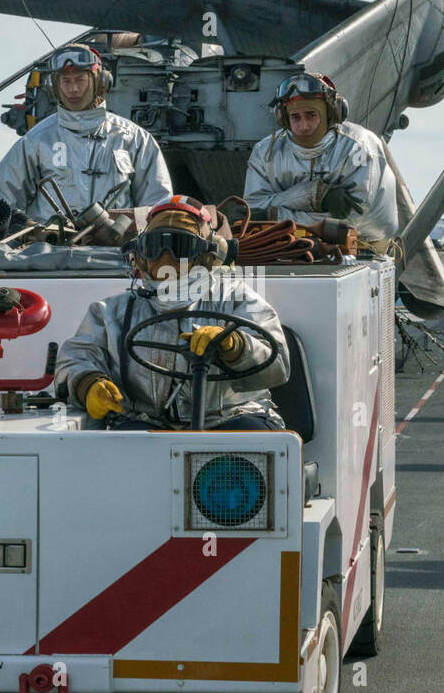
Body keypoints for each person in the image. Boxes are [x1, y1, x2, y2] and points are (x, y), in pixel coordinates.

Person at [55, 197, 290, 430]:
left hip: (230, 417)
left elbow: (277, 365)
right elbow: (76, 358)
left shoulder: (237, 299)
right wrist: (87, 384)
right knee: (126, 445)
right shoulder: (110, 313)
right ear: (139, 255)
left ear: (208, 255)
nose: (165, 258)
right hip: (145, 424)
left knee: (248, 440)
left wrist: (235, 346)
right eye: (154, 246)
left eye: (180, 247)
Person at [0, 43, 172, 221]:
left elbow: (158, 208)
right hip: (50, 253)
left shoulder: (135, 140)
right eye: (65, 81)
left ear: (100, 82)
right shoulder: (36, 141)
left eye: (80, 80)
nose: (73, 89)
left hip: (117, 252)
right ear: (54, 86)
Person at [243, 72, 400, 249]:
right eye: (296, 117)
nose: (303, 126)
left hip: (363, 248)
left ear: (330, 113)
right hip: (285, 246)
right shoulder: (265, 152)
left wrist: (274, 215)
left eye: (311, 115)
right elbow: (252, 208)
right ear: (284, 117)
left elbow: (354, 217)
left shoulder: (360, 147)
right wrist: (315, 195)